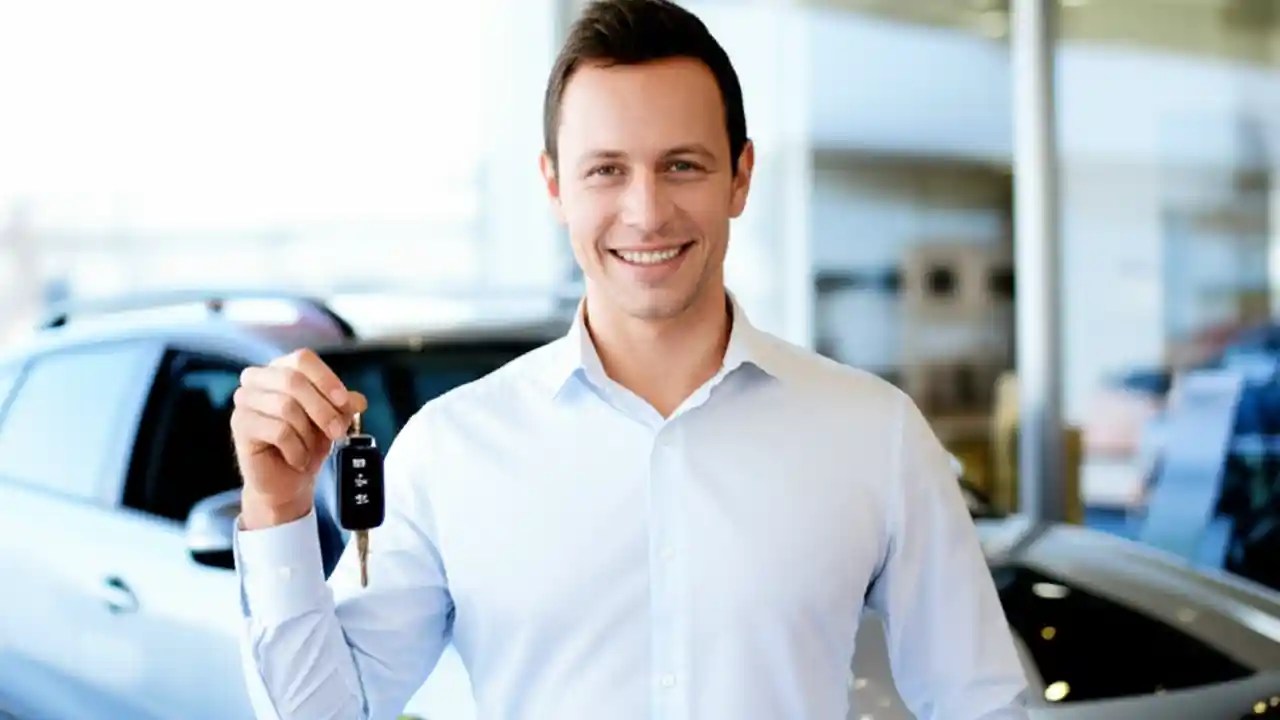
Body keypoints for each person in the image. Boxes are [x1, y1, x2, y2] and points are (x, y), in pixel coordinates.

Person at [229, 0, 1031, 718]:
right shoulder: (450, 450)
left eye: (682, 165)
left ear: (740, 177)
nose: (646, 213)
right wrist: (276, 508)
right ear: (554, 186)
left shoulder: (874, 433)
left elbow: (981, 703)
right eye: (606, 170)